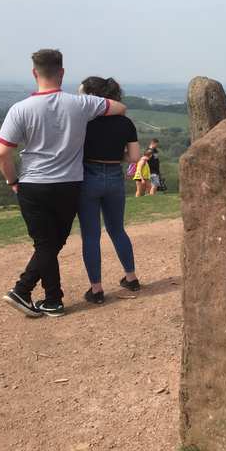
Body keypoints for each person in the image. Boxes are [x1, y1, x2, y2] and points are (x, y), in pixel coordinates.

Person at [0, 49, 126, 318]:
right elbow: (119, 108)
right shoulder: (81, 104)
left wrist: (12, 181)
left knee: (45, 242)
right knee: (52, 242)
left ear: (34, 73)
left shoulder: (20, 109)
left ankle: (33, 293)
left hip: (32, 184)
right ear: (62, 72)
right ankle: (47, 298)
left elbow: (2, 154)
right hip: (69, 184)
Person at [77, 77, 142, 305]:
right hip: (115, 177)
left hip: (88, 177)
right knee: (117, 229)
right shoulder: (126, 123)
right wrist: (114, 157)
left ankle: (96, 290)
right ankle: (131, 278)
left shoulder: (84, 121)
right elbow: (134, 157)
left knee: (91, 235)